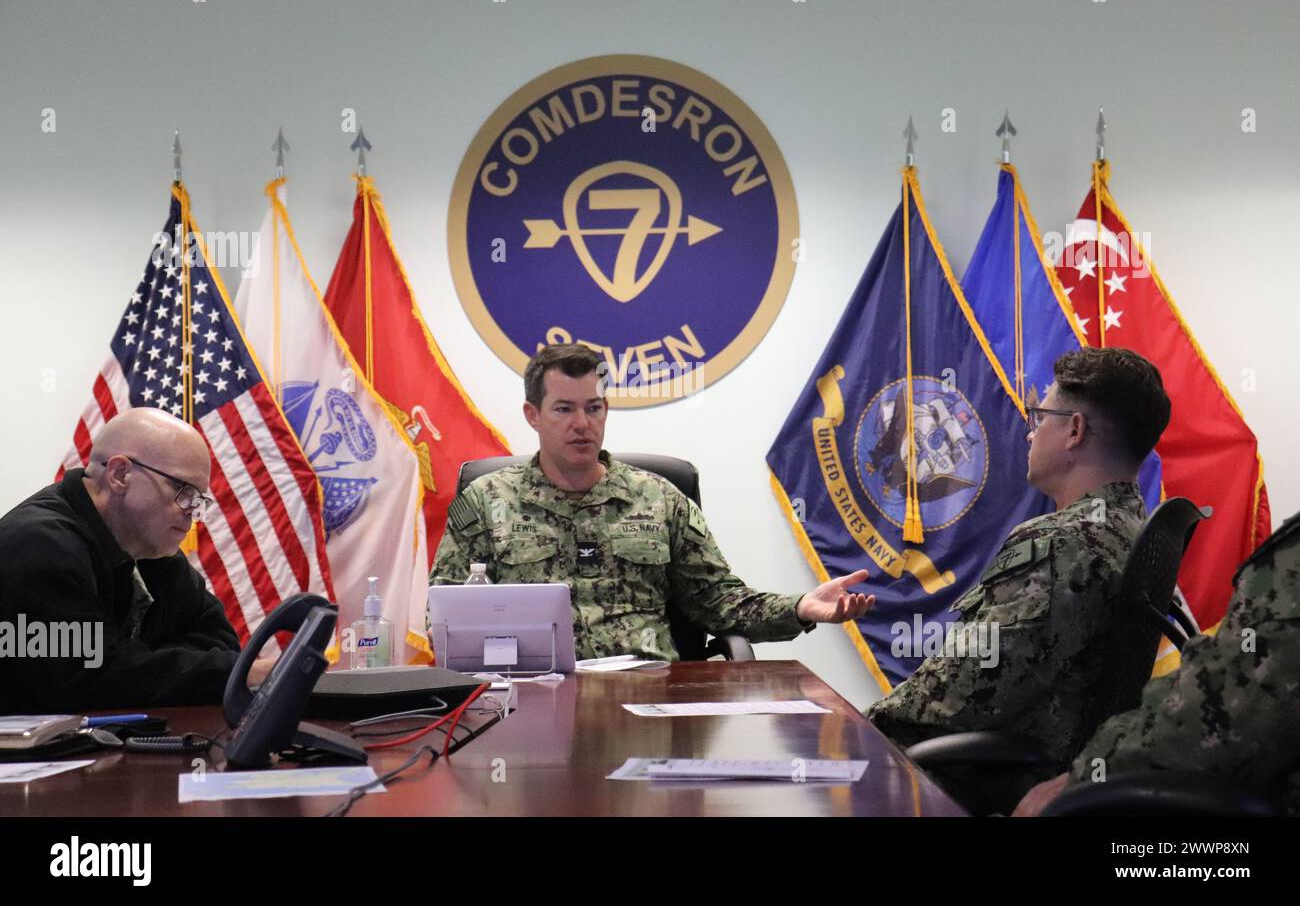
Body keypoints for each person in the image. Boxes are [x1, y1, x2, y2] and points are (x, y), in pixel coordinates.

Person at [429, 344, 874, 660]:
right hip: (530, 699)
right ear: (533, 415)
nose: (583, 424)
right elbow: (445, 615)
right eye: (564, 409)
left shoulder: (659, 498)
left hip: (647, 696)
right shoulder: (487, 501)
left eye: (595, 408)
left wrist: (800, 607)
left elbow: (719, 602)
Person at [865, 347, 1171, 807]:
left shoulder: (1063, 543)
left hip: (978, 783)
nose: (1030, 432)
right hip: (1053, 774)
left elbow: (959, 693)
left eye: (1039, 416)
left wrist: (857, 728)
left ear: (1074, 430)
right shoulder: (1130, 527)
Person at [1013, 509, 1300, 817]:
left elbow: (1225, 713)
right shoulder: (1128, 525)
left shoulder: (1058, 539)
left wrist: (1085, 775)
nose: (1026, 456)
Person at [0, 407, 272, 712]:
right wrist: (244, 671)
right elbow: (90, 682)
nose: (194, 512)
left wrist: (135, 664)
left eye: (199, 500)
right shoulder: (37, 546)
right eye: (182, 490)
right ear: (119, 475)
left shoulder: (149, 546)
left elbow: (219, 642)